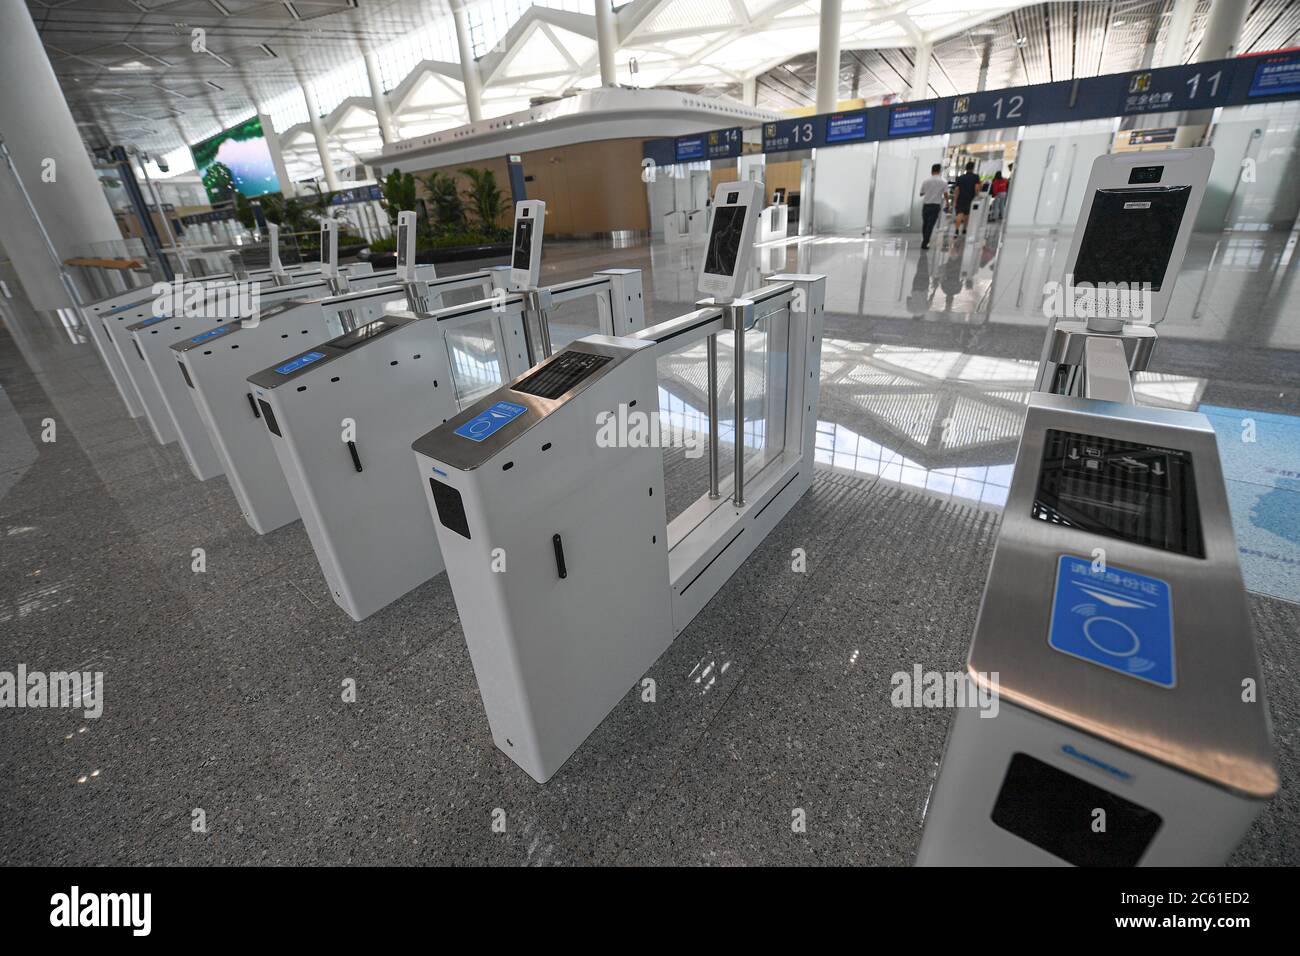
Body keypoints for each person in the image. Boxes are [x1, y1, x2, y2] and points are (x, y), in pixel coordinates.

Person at [918, 163, 946, 250]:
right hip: (935, 206)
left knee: (925, 224)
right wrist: (948, 204)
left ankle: (925, 241)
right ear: (940, 171)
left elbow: (921, 193)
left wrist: (928, 191)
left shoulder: (926, 181)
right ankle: (925, 242)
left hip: (926, 205)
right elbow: (945, 194)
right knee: (930, 225)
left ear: (932, 170)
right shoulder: (943, 182)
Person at [953, 161, 980, 235]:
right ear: (973, 168)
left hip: (960, 198)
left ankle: (957, 229)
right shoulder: (975, 177)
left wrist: (955, 200)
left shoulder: (961, 177)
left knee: (959, 214)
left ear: (966, 168)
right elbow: (976, 188)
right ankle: (964, 229)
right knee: (967, 215)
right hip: (970, 198)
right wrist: (977, 196)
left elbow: (957, 189)